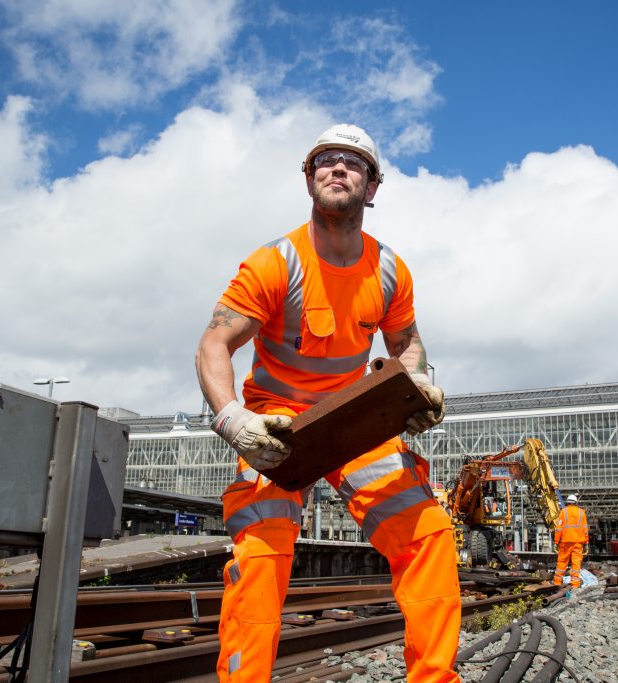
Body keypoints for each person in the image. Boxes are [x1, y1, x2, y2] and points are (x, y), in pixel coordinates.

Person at [195, 123, 462, 683]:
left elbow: (406, 342)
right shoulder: (275, 263)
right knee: (261, 554)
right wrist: (233, 421)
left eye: (352, 162)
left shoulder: (389, 271)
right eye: (325, 160)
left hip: (354, 423)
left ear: (372, 186)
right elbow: (214, 343)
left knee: (428, 535)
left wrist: (416, 386)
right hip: (277, 428)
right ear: (309, 179)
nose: (337, 168)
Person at [553, 494, 589, 590]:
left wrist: (556, 542)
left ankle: (557, 583)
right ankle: (575, 585)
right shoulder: (581, 513)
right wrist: (586, 543)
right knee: (576, 564)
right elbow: (585, 529)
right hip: (578, 542)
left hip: (566, 541)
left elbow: (559, 528)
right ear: (576, 502)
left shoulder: (563, 512)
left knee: (562, 562)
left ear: (567, 502)